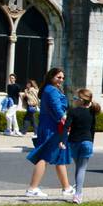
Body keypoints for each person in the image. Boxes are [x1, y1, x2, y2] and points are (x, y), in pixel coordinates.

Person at [25, 68, 73, 199]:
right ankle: (33, 188)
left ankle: (67, 187)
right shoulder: (51, 90)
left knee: (59, 157)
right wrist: (66, 121)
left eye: (63, 77)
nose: (61, 80)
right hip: (52, 127)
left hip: (52, 126)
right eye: (58, 77)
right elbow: (57, 108)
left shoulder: (50, 89)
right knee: (45, 156)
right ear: (51, 77)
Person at [66, 88, 100, 204]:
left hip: (73, 142)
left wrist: (61, 140)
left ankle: (78, 191)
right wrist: (91, 142)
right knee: (82, 168)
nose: (74, 100)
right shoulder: (92, 112)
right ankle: (78, 193)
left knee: (78, 167)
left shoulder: (72, 111)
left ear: (81, 100)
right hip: (87, 142)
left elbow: (66, 127)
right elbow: (93, 129)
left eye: (75, 98)